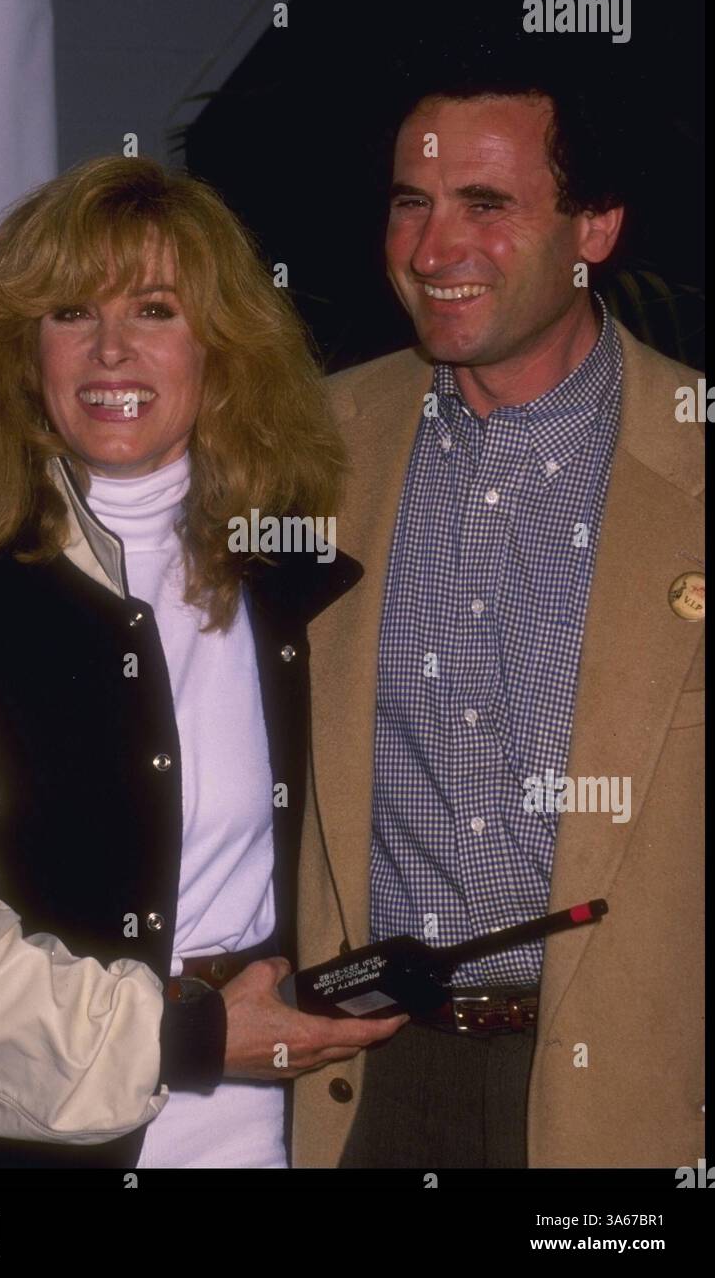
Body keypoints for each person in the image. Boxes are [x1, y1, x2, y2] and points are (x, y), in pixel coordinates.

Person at [0, 154, 406, 1170]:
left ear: (220, 349)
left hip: (288, 1131)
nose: (110, 350)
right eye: (71, 311)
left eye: (155, 308)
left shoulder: (308, 578)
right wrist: (186, 1036)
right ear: (25, 353)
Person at [293, 74, 704, 1169]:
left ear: (595, 226)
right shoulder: (309, 451)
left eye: (484, 204)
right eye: (408, 203)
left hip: (634, 1093)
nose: (432, 251)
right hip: (361, 1082)